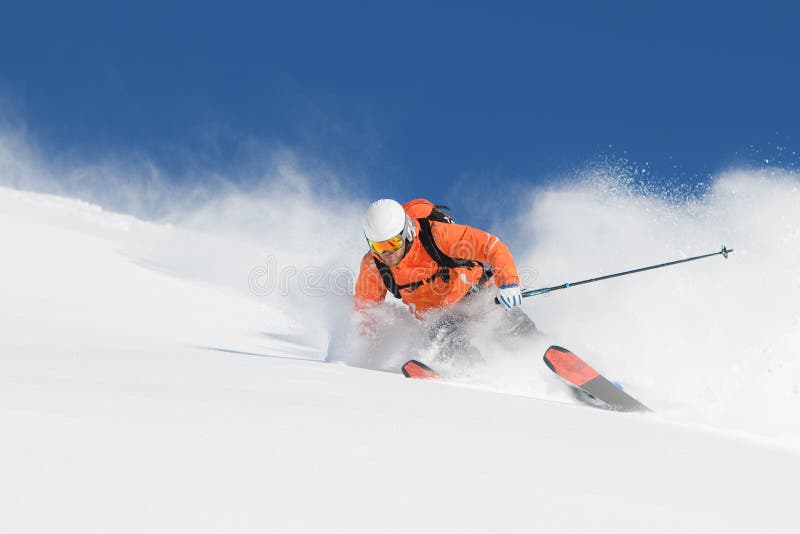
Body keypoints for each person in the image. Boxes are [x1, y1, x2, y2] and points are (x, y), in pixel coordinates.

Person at [354, 198, 536, 370]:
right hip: (441, 319)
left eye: (393, 243)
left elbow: (492, 247)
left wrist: (508, 283)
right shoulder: (374, 266)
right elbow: (365, 311)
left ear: (406, 232)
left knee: (507, 324)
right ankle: (474, 375)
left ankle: (540, 353)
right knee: (445, 339)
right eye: (379, 247)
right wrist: (363, 353)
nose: (387, 252)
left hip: (476, 294)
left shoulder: (437, 235)